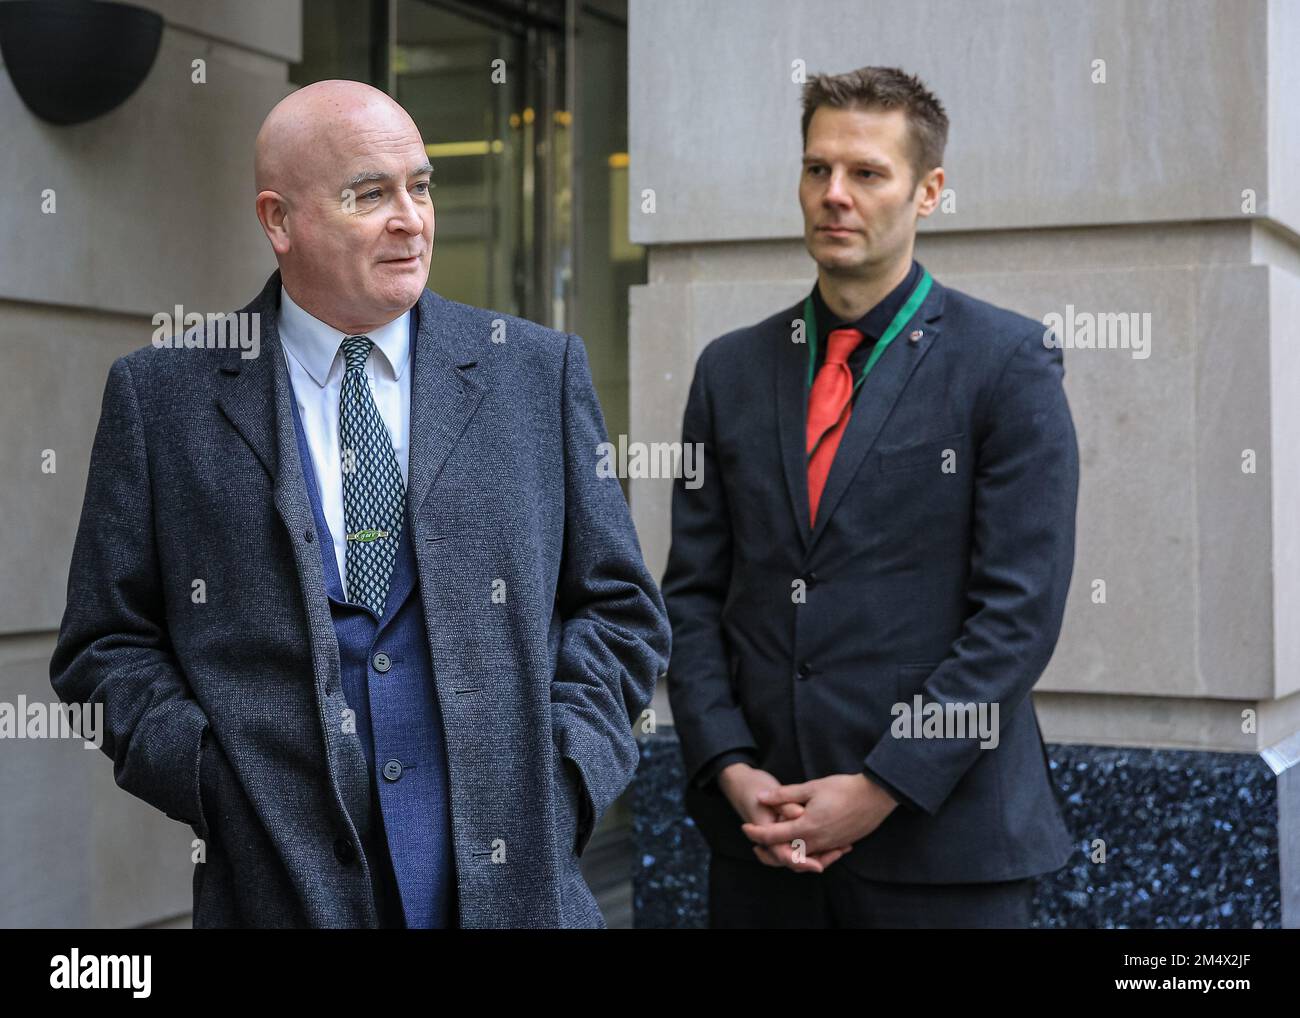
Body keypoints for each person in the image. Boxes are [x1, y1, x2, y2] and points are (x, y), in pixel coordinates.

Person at [49, 79, 670, 929]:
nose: (411, 219)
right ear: (279, 221)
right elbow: (104, 643)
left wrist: (563, 775)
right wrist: (215, 786)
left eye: (420, 186)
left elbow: (621, 609)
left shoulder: (534, 372)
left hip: (516, 893)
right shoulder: (163, 399)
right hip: (277, 897)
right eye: (368, 194)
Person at [662, 66, 1078, 928]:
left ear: (929, 191)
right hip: (761, 849)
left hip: (946, 853)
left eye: (867, 173)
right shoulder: (730, 370)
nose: (834, 195)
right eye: (817, 170)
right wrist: (731, 766)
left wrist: (883, 784)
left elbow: (1017, 617)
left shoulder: (1007, 363)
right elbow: (694, 594)